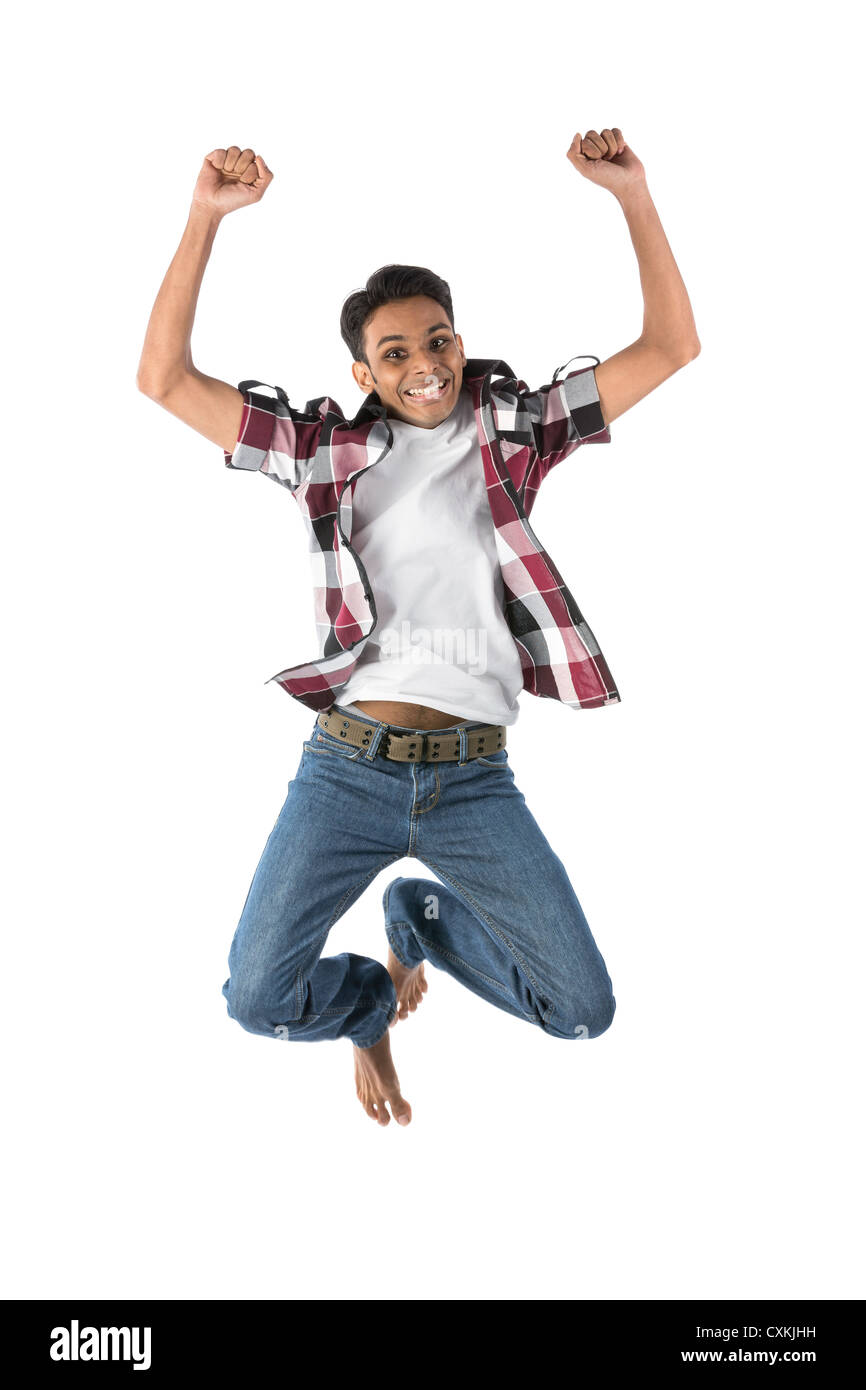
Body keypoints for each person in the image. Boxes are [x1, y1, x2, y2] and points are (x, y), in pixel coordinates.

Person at [137, 129, 700, 1128]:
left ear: (457, 336)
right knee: (256, 999)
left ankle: (420, 921)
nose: (423, 364)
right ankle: (363, 1005)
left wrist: (633, 197)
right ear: (361, 368)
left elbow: (668, 349)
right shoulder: (321, 450)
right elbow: (165, 382)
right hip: (344, 773)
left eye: (435, 338)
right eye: (393, 351)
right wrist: (204, 219)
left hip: (471, 781)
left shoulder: (512, 430)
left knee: (580, 1010)